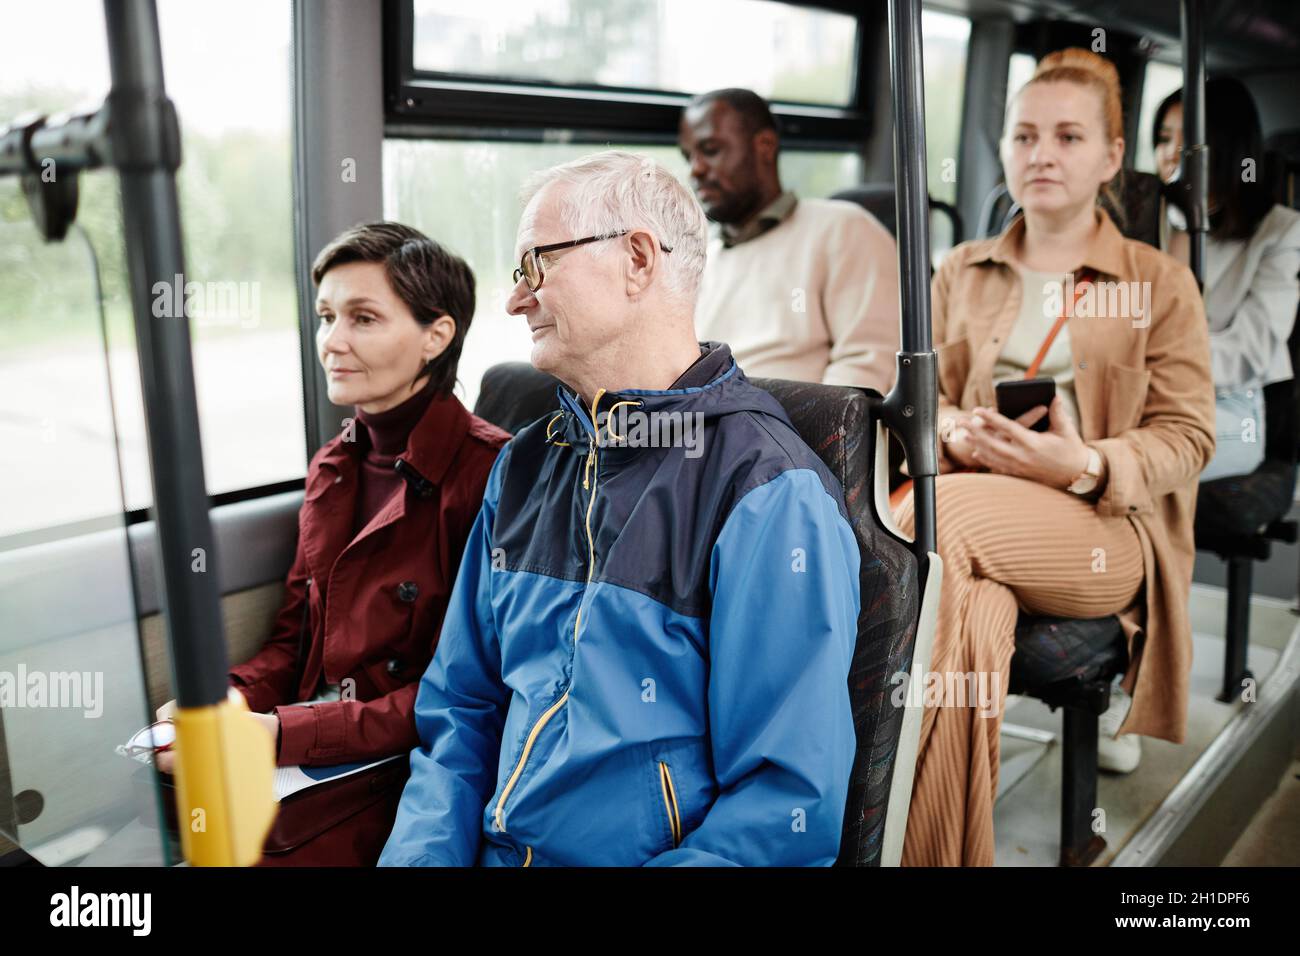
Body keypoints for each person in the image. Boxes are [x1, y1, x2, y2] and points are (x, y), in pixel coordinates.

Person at [379, 150, 860, 867]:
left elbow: (782, 808)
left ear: (638, 259)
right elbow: (461, 711)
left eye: (536, 265)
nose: (516, 299)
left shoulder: (766, 494)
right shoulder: (524, 465)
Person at [893, 49, 1215, 865]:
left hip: (1103, 526)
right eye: (1025, 135)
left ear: (1112, 157)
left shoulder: (1159, 282)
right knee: (971, 607)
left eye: (1069, 137)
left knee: (925, 521)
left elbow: (1188, 439)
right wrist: (953, 431)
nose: (1041, 154)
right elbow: (910, 404)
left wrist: (1079, 461)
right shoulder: (960, 268)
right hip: (974, 500)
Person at [158, 222, 510, 865]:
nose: (332, 342)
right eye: (326, 317)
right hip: (314, 748)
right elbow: (295, 641)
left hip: (414, 766)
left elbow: (461, 695)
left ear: (437, 335)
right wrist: (232, 698)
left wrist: (278, 733)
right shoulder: (333, 465)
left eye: (363, 318)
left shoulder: (489, 474)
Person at [679, 88, 900, 392]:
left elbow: (866, 366)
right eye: (689, 156)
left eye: (711, 149)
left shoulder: (844, 229)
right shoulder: (702, 262)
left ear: (765, 146)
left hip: (793, 434)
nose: (696, 169)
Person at [1152, 78, 1300, 482]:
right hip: (1142, 396)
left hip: (1230, 406)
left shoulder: (1281, 232)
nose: (1170, 154)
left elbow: (1250, 349)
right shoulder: (1148, 220)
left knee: (1137, 455)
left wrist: (1153, 368)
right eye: (1164, 139)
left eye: (1187, 143)